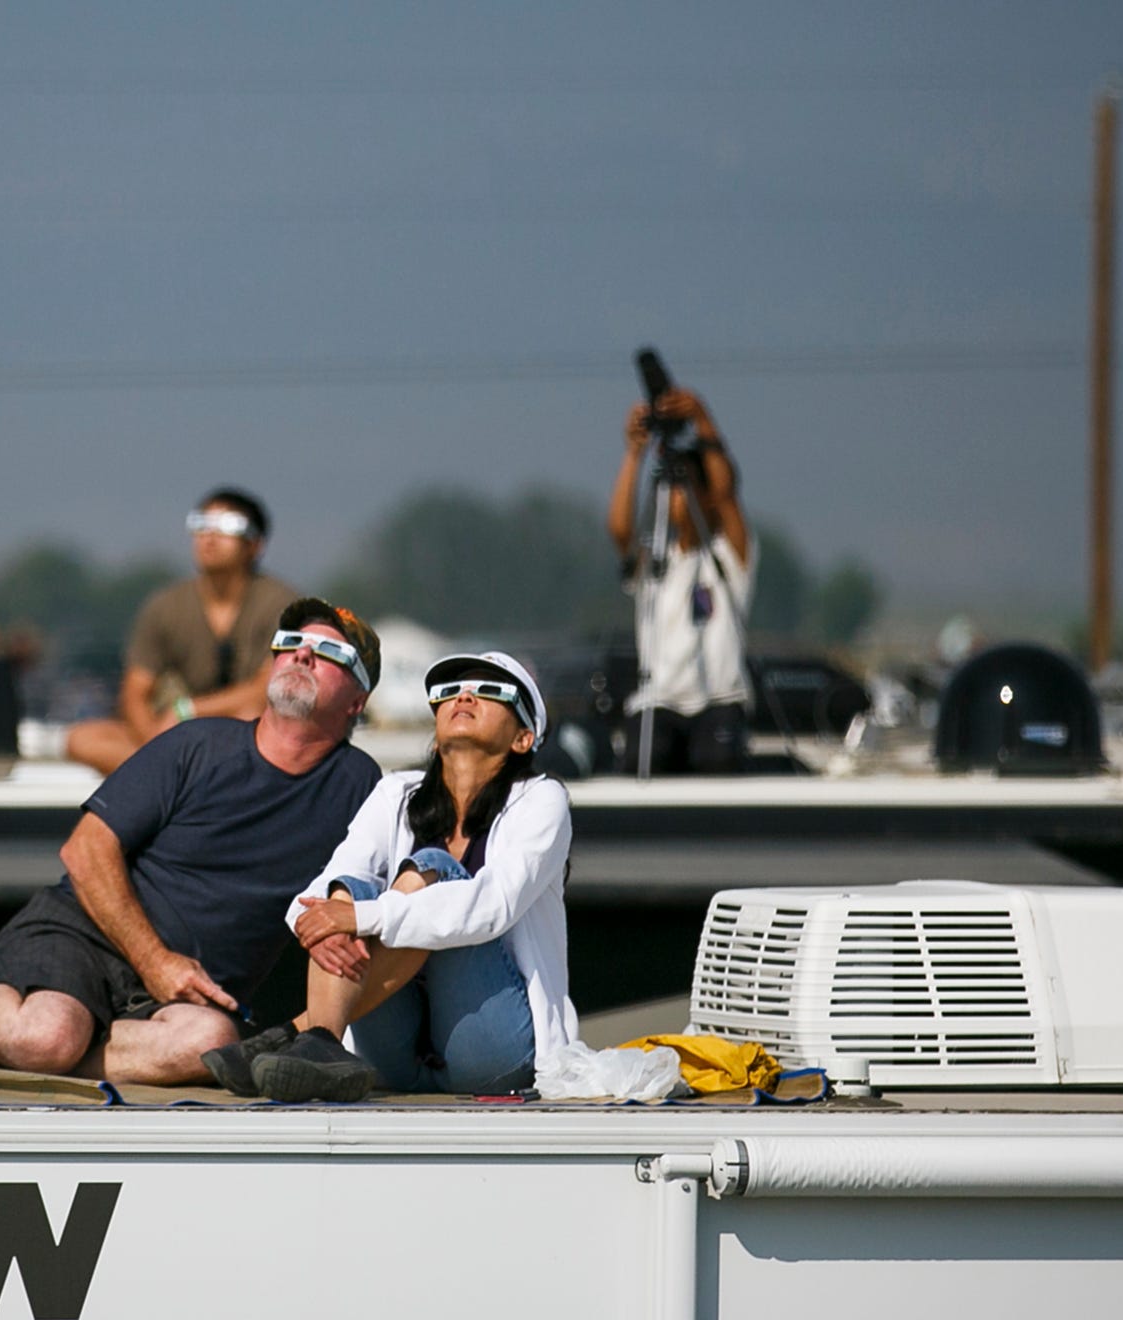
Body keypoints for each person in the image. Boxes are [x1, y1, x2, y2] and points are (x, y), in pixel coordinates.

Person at [0, 599, 384, 1086]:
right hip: (83, 933)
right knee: (49, 1034)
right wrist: (155, 960)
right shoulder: (195, 745)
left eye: (331, 652)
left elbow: (380, 900)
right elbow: (84, 851)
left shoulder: (363, 787)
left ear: (358, 700)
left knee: (210, 1044)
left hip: (185, 994)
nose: (303, 654)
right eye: (290, 643)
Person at [207, 652, 575, 1101]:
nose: (464, 696)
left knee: (434, 869)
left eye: (490, 691)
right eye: (448, 692)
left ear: (523, 737)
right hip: (389, 1057)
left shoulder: (542, 800)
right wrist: (337, 913)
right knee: (344, 890)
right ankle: (319, 1043)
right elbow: (332, 884)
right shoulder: (395, 792)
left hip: (490, 1055)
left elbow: (491, 907)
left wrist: (363, 918)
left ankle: (304, 1031)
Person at [64, 488, 299, 775]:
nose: (209, 537)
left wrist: (187, 710)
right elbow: (135, 693)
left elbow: (266, 689)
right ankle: (181, 777)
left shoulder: (281, 605)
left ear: (255, 544)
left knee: (250, 718)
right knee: (82, 738)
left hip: (243, 731)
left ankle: (173, 779)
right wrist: (154, 741)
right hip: (175, 737)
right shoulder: (164, 605)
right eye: (201, 524)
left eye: (227, 527)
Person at [607, 384, 755, 774]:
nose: (676, 492)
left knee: (716, 762)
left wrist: (703, 419)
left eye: (686, 483)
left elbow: (726, 494)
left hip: (718, 697)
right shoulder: (656, 556)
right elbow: (620, 530)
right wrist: (634, 452)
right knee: (644, 761)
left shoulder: (727, 553)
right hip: (659, 699)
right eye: (673, 484)